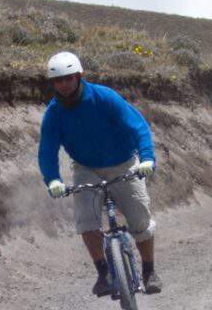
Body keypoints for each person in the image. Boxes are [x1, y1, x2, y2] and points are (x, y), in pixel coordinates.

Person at [38, 51, 162, 296]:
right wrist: (52, 179)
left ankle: (149, 271)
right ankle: (103, 273)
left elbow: (139, 127)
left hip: (124, 162)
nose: (63, 85)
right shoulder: (53, 114)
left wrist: (146, 158)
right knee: (86, 221)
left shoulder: (105, 97)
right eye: (58, 80)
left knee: (139, 217)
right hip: (87, 168)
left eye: (68, 78)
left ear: (78, 76)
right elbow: (47, 150)